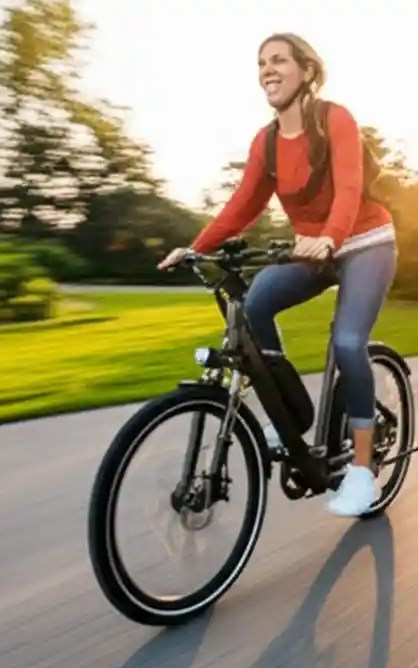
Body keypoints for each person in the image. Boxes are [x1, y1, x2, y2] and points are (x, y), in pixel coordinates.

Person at [157, 32, 398, 517]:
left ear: (307, 71)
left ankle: (361, 471)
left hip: (365, 243)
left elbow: (349, 188)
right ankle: (293, 417)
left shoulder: (335, 119)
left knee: (348, 342)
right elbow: (242, 205)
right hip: (314, 248)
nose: (268, 69)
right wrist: (196, 248)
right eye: (262, 62)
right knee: (254, 306)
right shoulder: (265, 143)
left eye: (279, 60)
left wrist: (330, 236)